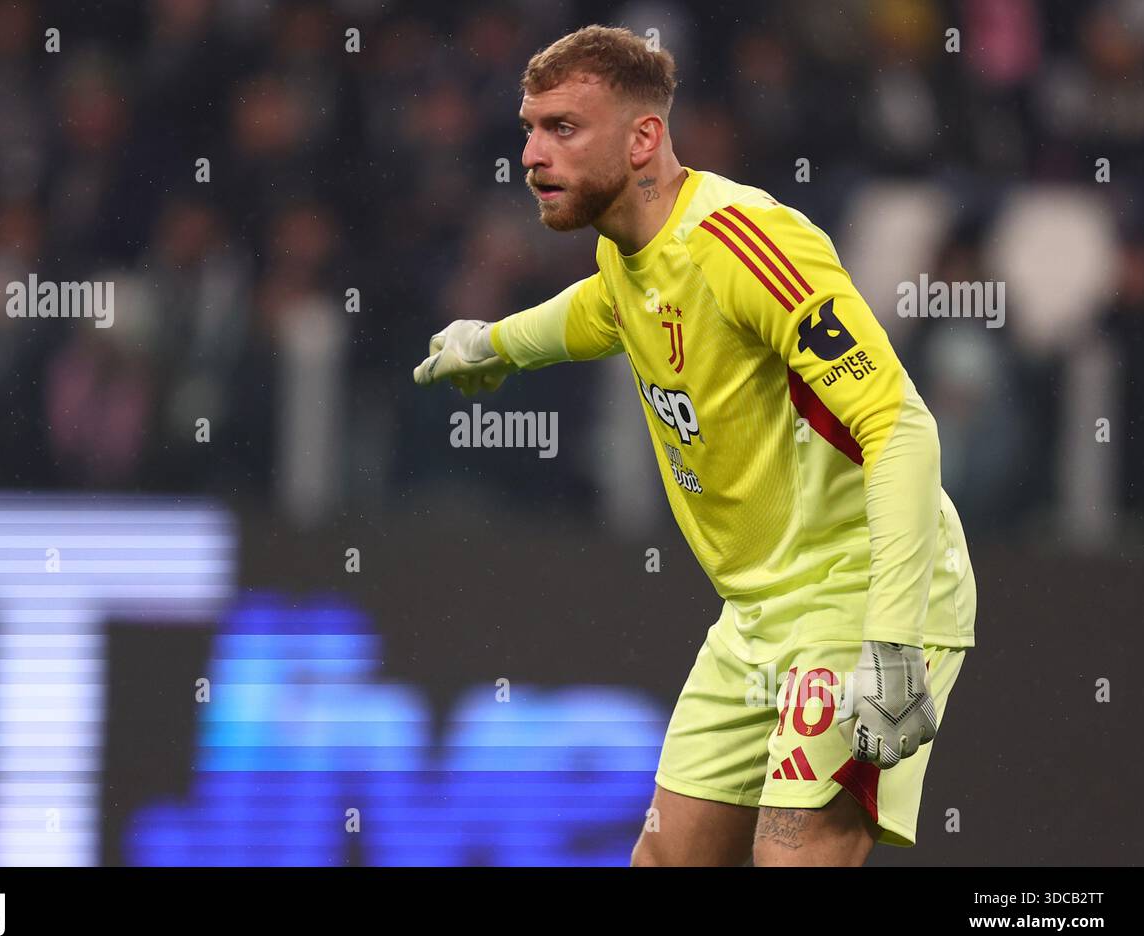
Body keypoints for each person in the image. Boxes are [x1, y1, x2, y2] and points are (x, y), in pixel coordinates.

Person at [413, 25, 976, 866]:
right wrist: (493, 344)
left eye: (562, 128)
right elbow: (596, 311)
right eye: (529, 128)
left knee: (793, 854)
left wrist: (890, 645)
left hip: (861, 598)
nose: (531, 154)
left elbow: (901, 427)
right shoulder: (629, 255)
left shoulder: (748, 244)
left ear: (644, 138)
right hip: (755, 621)